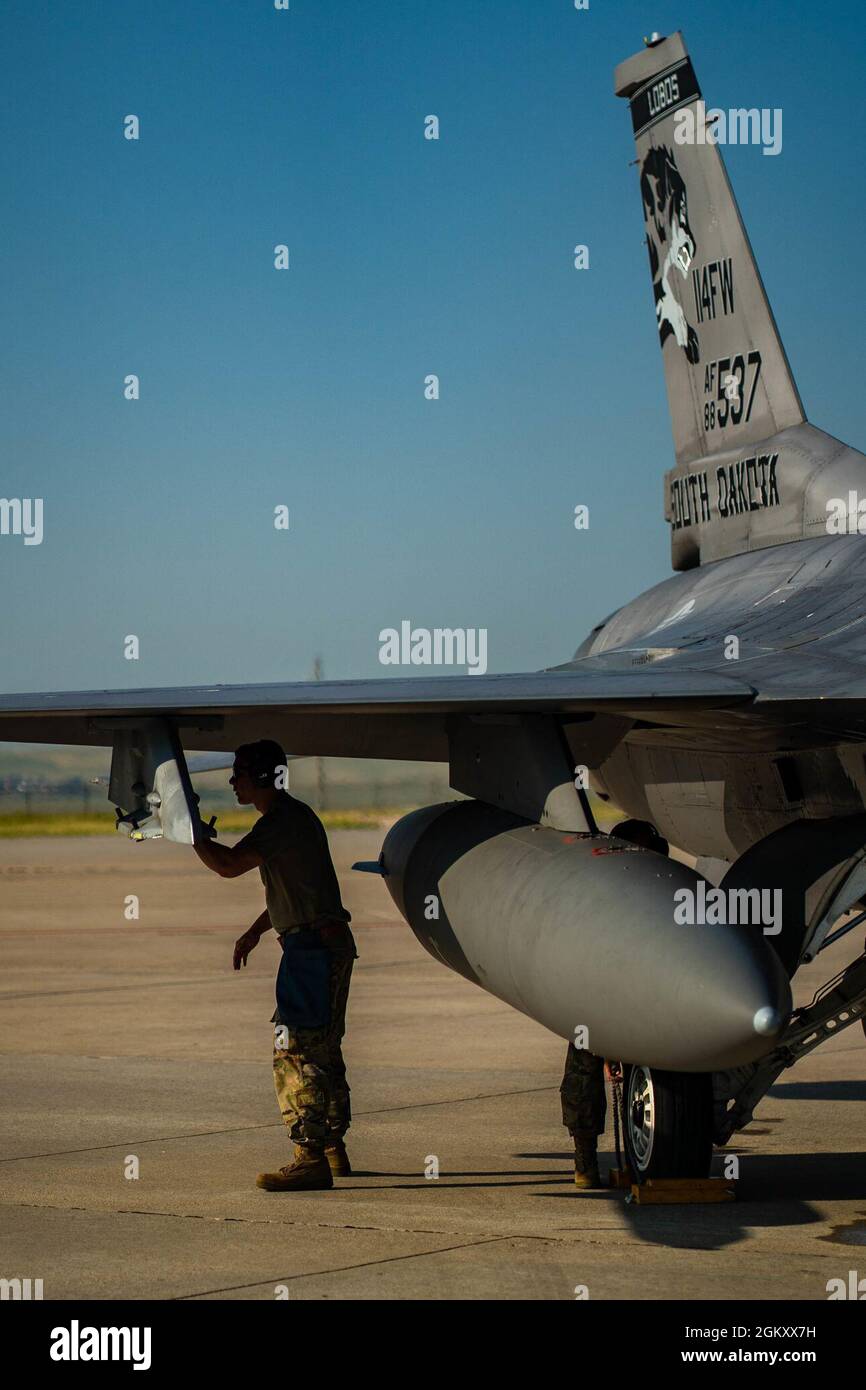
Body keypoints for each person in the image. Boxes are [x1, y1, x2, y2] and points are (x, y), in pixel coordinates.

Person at [193, 738, 356, 1192]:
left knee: (295, 1052)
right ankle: (331, 1148)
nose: (233, 781)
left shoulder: (281, 822)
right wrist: (256, 931)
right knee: (324, 1051)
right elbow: (297, 892)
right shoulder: (295, 817)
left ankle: (309, 1158)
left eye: (241, 773)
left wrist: (191, 832)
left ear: (263, 777)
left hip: (311, 952)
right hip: (324, 944)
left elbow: (228, 865)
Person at [559, 818, 669, 1189]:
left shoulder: (653, 894)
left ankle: (594, 1161)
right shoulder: (607, 901)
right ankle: (585, 1161)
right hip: (597, 999)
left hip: (641, 999)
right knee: (583, 1076)